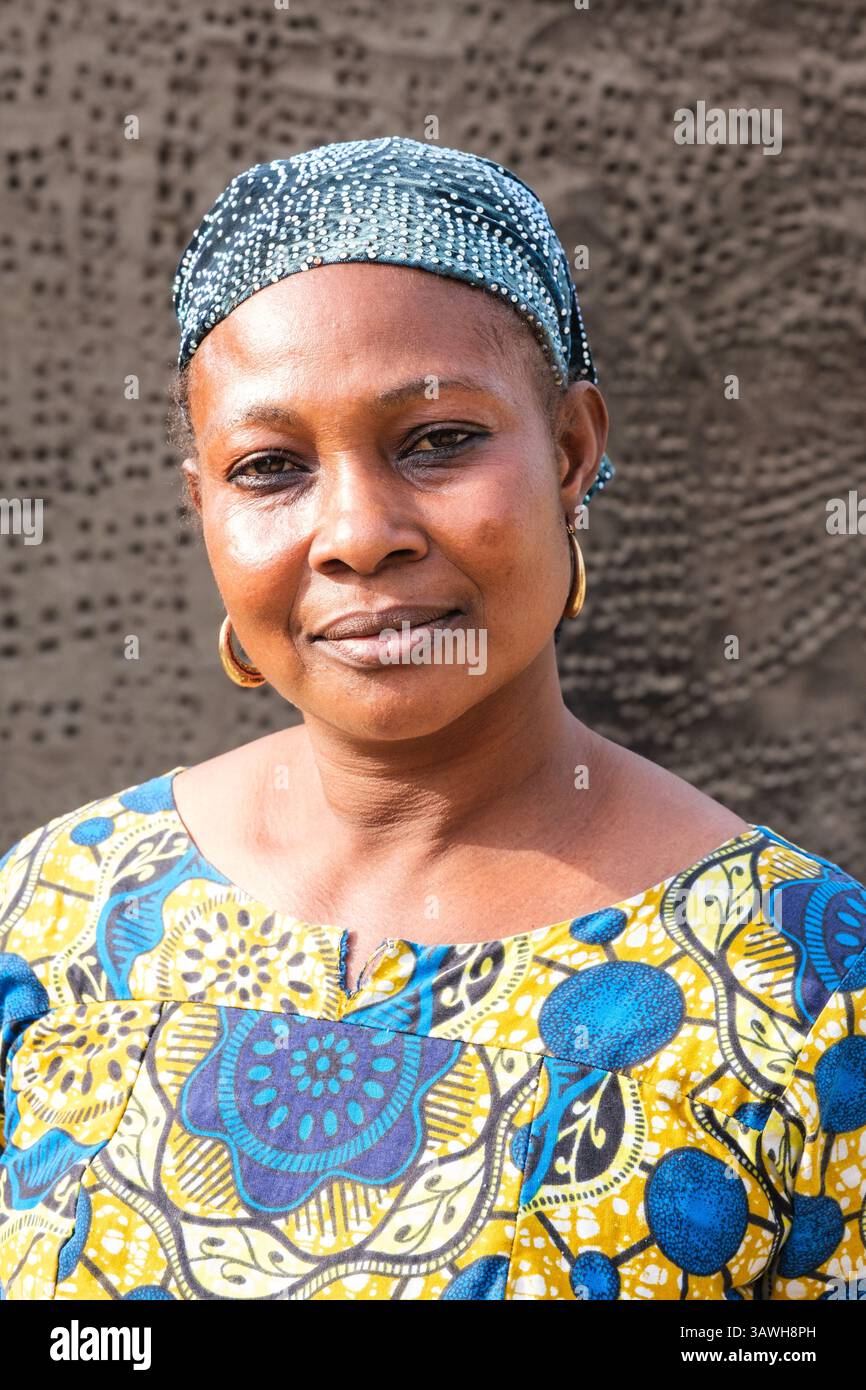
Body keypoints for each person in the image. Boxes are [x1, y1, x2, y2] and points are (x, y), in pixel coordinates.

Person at [1, 136, 864, 1302]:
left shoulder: (807, 987)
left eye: (439, 441)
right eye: (269, 467)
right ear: (203, 504)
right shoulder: (52, 916)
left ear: (569, 453)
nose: (358, 532)